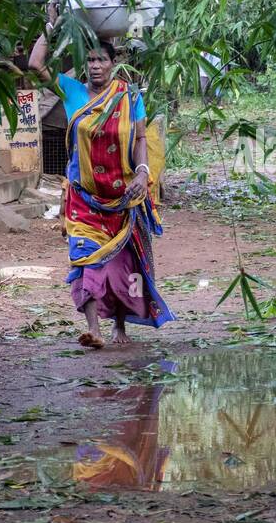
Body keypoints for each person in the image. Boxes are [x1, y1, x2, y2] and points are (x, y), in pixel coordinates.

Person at [29, 30, 173, 347]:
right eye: (90, 60)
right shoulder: (71, 92)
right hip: (83, 197)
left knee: (122, 265)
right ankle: (93, 329)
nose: (95, 66)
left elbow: (138, 140)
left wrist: (142, 173)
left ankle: (119, 326)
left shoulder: (129, 96)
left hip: (123, 197)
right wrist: (53, 29)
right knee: (85, 258)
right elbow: (35, 63)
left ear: (113, 63)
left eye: (101, 60)